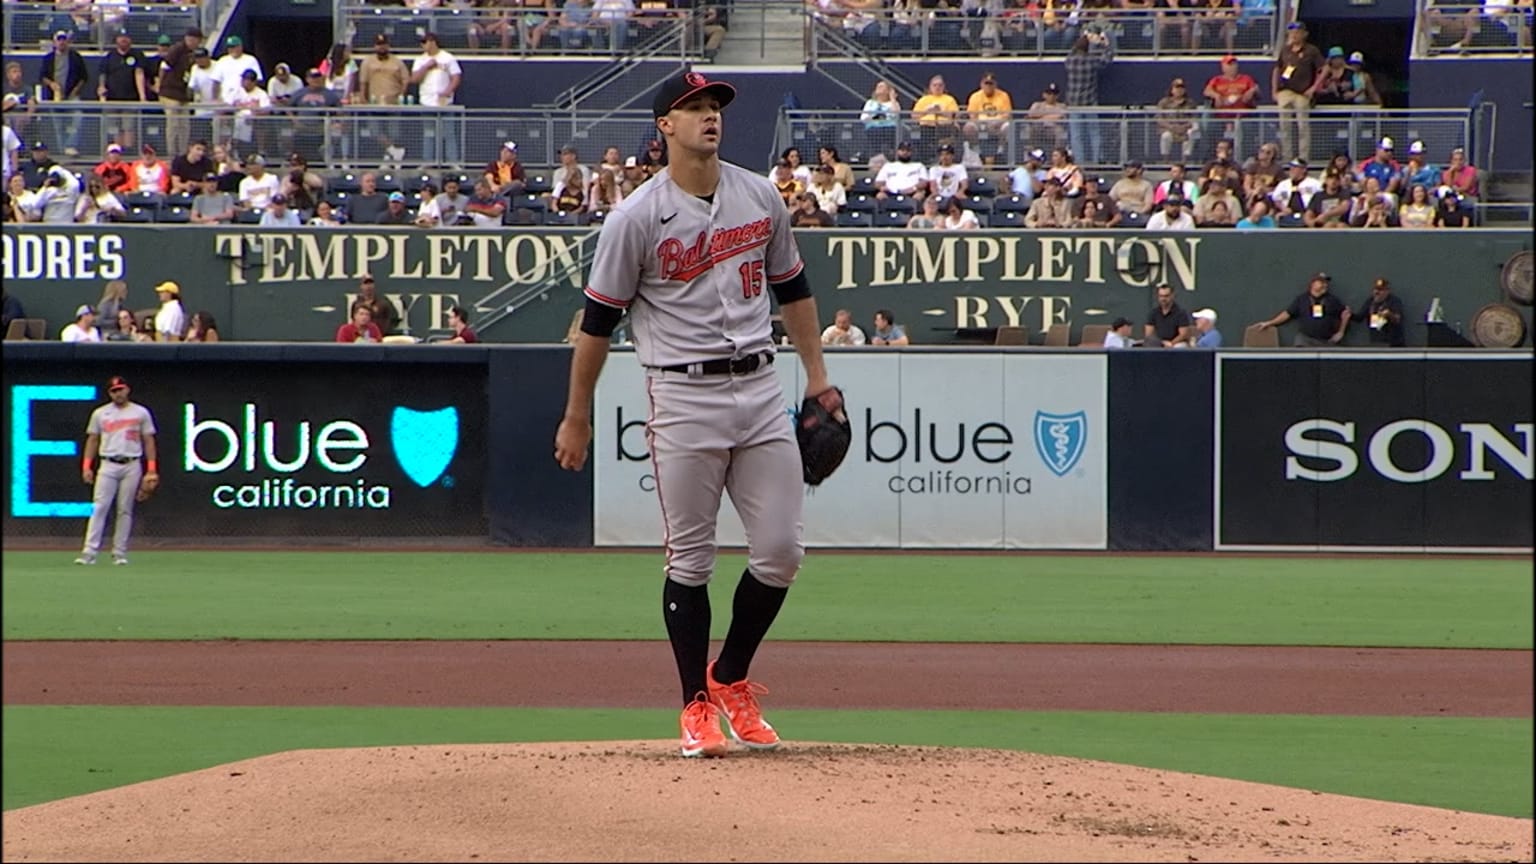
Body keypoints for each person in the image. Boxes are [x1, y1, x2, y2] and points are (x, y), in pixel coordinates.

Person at [553, 69, 842, 760]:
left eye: (714, 106)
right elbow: (597, 325)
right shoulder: (635, 219)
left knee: (780, 552)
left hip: (761, 386)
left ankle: (731, 677)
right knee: (691, 557)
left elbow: (794, 290)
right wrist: (577, 416)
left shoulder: (759, 195)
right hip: (681, 395)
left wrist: (818, 378)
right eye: (694, 108)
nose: (709, 116)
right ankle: (694, 706)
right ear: (666, 127)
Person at [75, 376, 159, 566]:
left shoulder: (140, 412)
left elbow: (149, 440)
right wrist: (87, 466)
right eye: (114, 391)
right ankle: (89, 551)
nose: (118, 393)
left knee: (125, 509)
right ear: (109, 393)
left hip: (132, 462)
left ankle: (119, 552)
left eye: (121, 389)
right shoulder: (100, 413)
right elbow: (92, 440)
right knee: (99, 506)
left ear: (127, 389)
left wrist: (151, 469)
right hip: (108, 463)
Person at [1254, 272, 1351, 346]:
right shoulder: (1302, 299)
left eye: (1326, 282)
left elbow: (1346, 314)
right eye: (1321, 282)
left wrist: (1340, 332)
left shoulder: (1332, 300)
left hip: (1326, 341)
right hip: (1305, 341)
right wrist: (1269, 323)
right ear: (1312, 284)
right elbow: (1287, 314)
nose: (1325, 285)